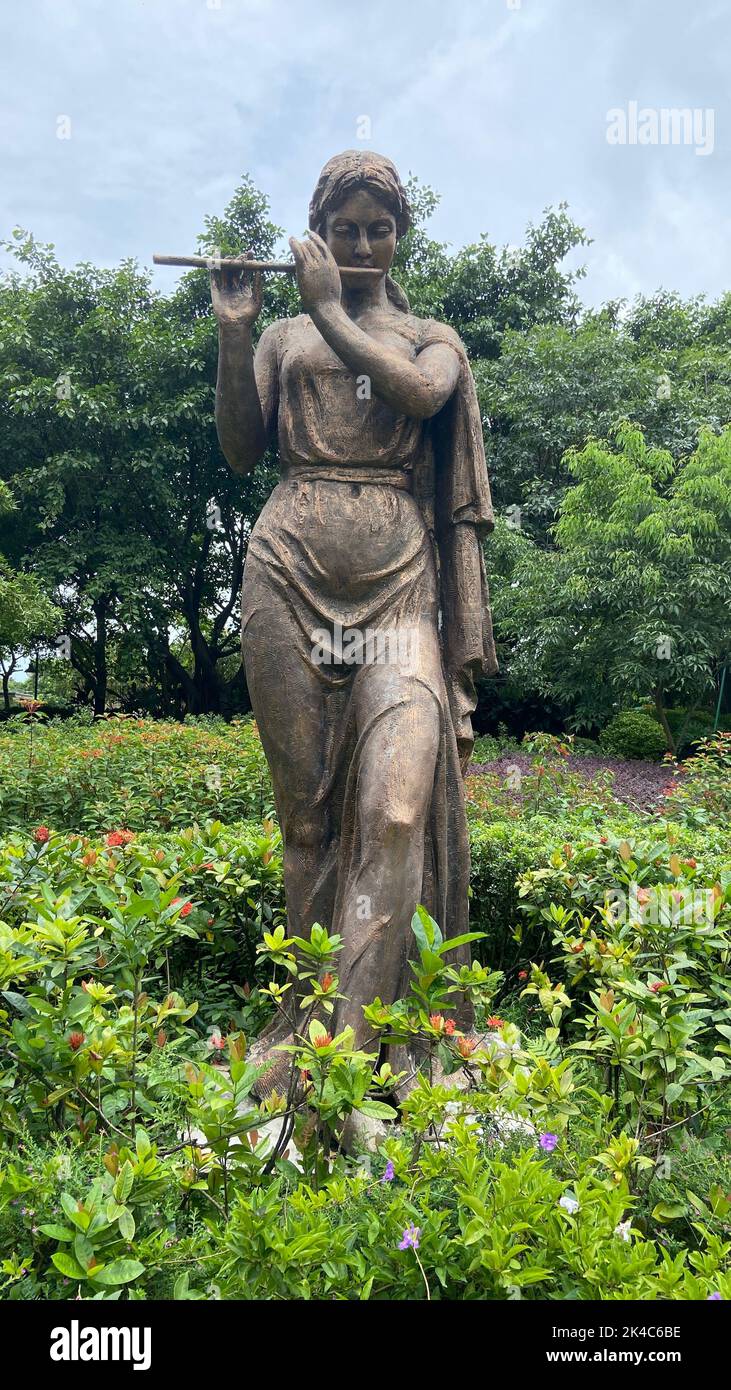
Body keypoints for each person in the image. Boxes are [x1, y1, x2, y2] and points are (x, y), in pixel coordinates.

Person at [211, 150, 496, 1078]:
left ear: (398, 236)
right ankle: (311, 1026)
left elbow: (420, 396)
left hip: (398, 587)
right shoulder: (283, 338)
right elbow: (241, 449)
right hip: (286, 572)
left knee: (397, 808)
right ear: (320, 234)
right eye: (346, 229)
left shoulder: (429, 336)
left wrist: (330, 307)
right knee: (304, 825)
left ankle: (355, 1051)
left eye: (378, 228)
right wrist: (234, 332)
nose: (363, 243)